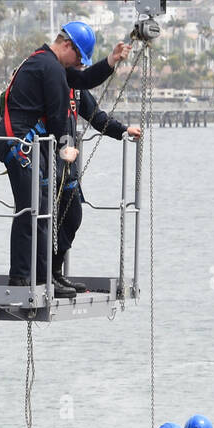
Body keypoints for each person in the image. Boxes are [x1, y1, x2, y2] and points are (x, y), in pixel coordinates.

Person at [0, 21, 136, 296]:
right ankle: (25, 278)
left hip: (36, 146)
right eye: (79, 59)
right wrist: (63, 148)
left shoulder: (56, 68)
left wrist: (111, 60)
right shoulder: (47, 66)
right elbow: (58, 114)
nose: (79, 66)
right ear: (67, 45)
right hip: (20, 143)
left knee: (57, 211)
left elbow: (84, 83)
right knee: (35, 208)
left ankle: (46, 274)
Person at [51, 88, 141, 294]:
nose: (80, 66)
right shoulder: (44, 76)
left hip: (67, 166)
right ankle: (40, 276)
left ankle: (55, 273)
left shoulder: (77, 88)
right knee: (44, 222)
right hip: (44, 162)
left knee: (72, 217)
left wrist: (123, 130)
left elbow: (96, 116)